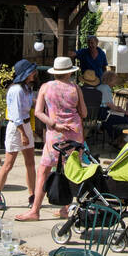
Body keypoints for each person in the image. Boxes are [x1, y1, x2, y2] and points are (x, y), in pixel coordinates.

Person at [16, 56, 86, 222]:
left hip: (55, 134)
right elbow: (84, 113)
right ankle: (65, 208)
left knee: (44, 170)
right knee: (71, 171)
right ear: (69, 72)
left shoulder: (46, 87)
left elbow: (38, 112)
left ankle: (35, 210)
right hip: (74, 132)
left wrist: (53, 124)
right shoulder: (75, 88)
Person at [0, 59, 39, 207]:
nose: (35, 73)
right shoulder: (16, 90)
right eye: (32, 71)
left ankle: (32, 195)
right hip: (17, 128)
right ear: (26, 73)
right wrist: (23, 134)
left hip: (26, 125)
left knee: (30, 163)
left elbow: (31, 103)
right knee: (8, 163)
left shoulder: (27, 88)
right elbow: (15, 114)